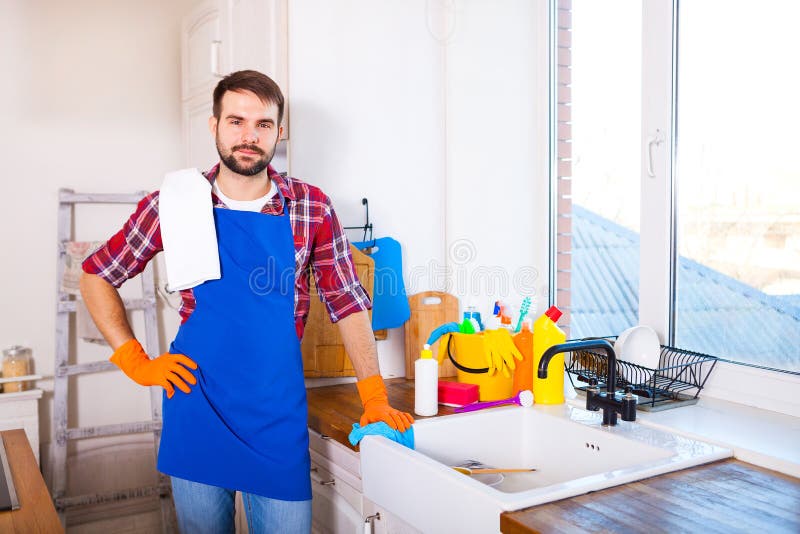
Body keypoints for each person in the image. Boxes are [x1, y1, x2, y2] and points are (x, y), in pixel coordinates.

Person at [80, 69, 413, 533]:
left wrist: (373, 394)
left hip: (276, 414)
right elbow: (96, 275)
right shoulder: (173, 203)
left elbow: (347, 301)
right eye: (236, 121)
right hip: (197, 406)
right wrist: (134, 360)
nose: (249, 136)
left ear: (280, 131)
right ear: (214, 126)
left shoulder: (310, 206)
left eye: (263, 124)